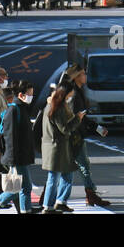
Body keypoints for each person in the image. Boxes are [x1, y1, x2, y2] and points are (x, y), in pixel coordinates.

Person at [67, 64, 112, 207]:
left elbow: (82, 117)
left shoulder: (78, 91)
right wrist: (94, 128)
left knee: (64, 168)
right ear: (76, 77)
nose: (85, 76)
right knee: (81, 166)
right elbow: (77, 118)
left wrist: (96, 128)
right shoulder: (74, 94)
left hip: (74, 135)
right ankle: (91, 195)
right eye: (83, 74)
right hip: (74, 136)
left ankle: (90, 195)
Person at [0, 81, 38, 213]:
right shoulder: (14, 110)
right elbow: (10, 136)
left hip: (21, 155)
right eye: (29, 94)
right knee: (25, 186)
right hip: (17, 156)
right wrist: (13, 158)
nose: (31, 96)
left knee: (21, 187)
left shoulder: (21, 109)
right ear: (20, 94)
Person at [41, 72, 83, 213]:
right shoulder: (57, 108)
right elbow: (65, 129)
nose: (71, 95)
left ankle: (61, 201)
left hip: (59, 146)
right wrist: (77, 118)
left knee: (67, 174)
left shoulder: (56, 105)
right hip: (56, 147)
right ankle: (48, 205)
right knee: (54, 177)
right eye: (70, 93)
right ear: (65, 93)